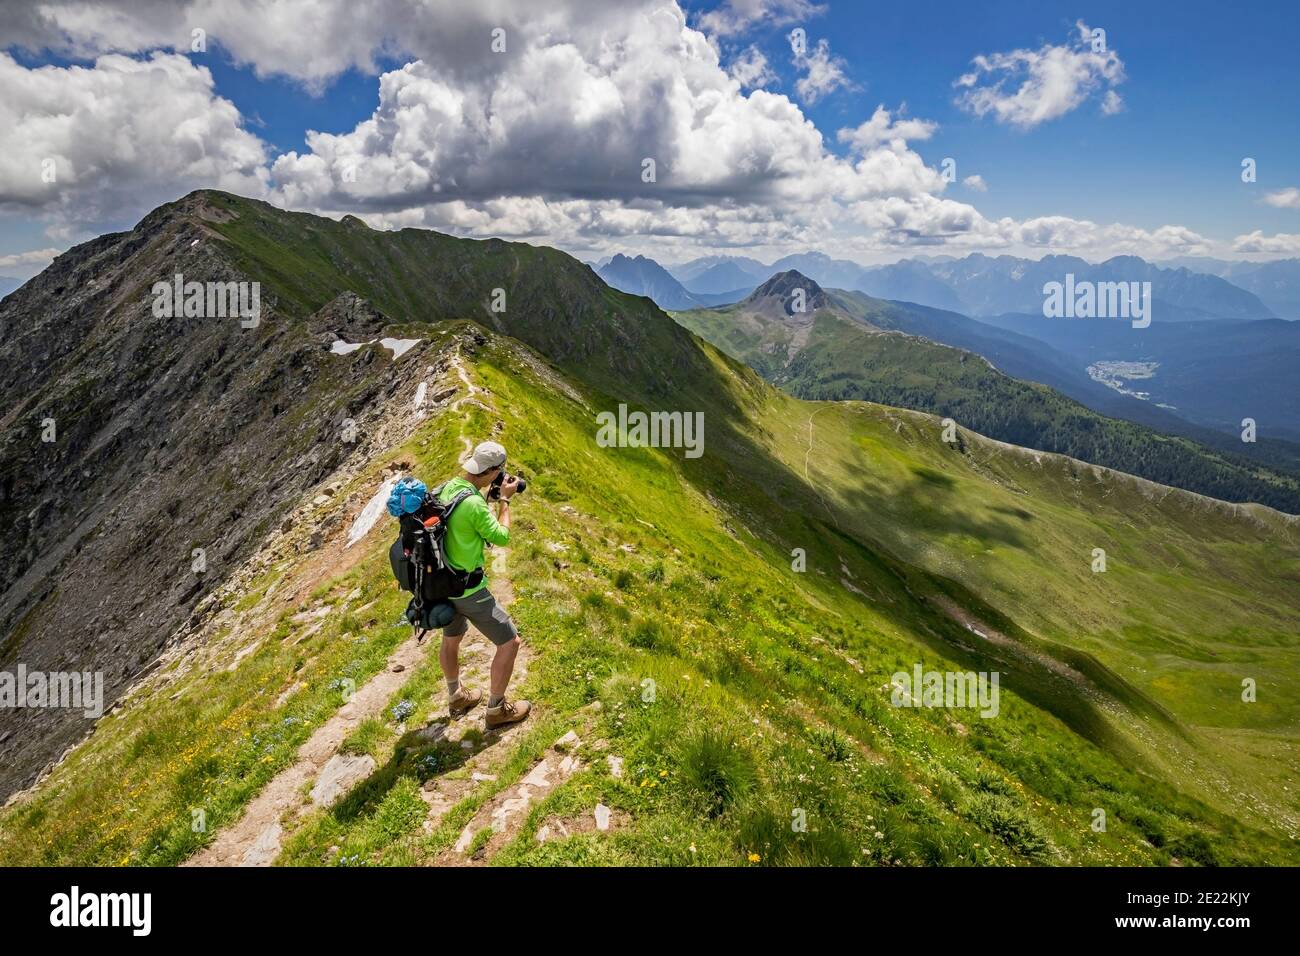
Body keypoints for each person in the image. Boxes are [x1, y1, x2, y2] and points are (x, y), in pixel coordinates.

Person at [435, 440, 530, 729]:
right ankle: (496, 710)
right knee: (509, 642)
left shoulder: (448, 487)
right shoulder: (475, 504)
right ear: (493, 471)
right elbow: (501, 537)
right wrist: (505, 500)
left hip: (442, 583)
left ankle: (456, 696)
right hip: (469, 590)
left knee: (451, 640)